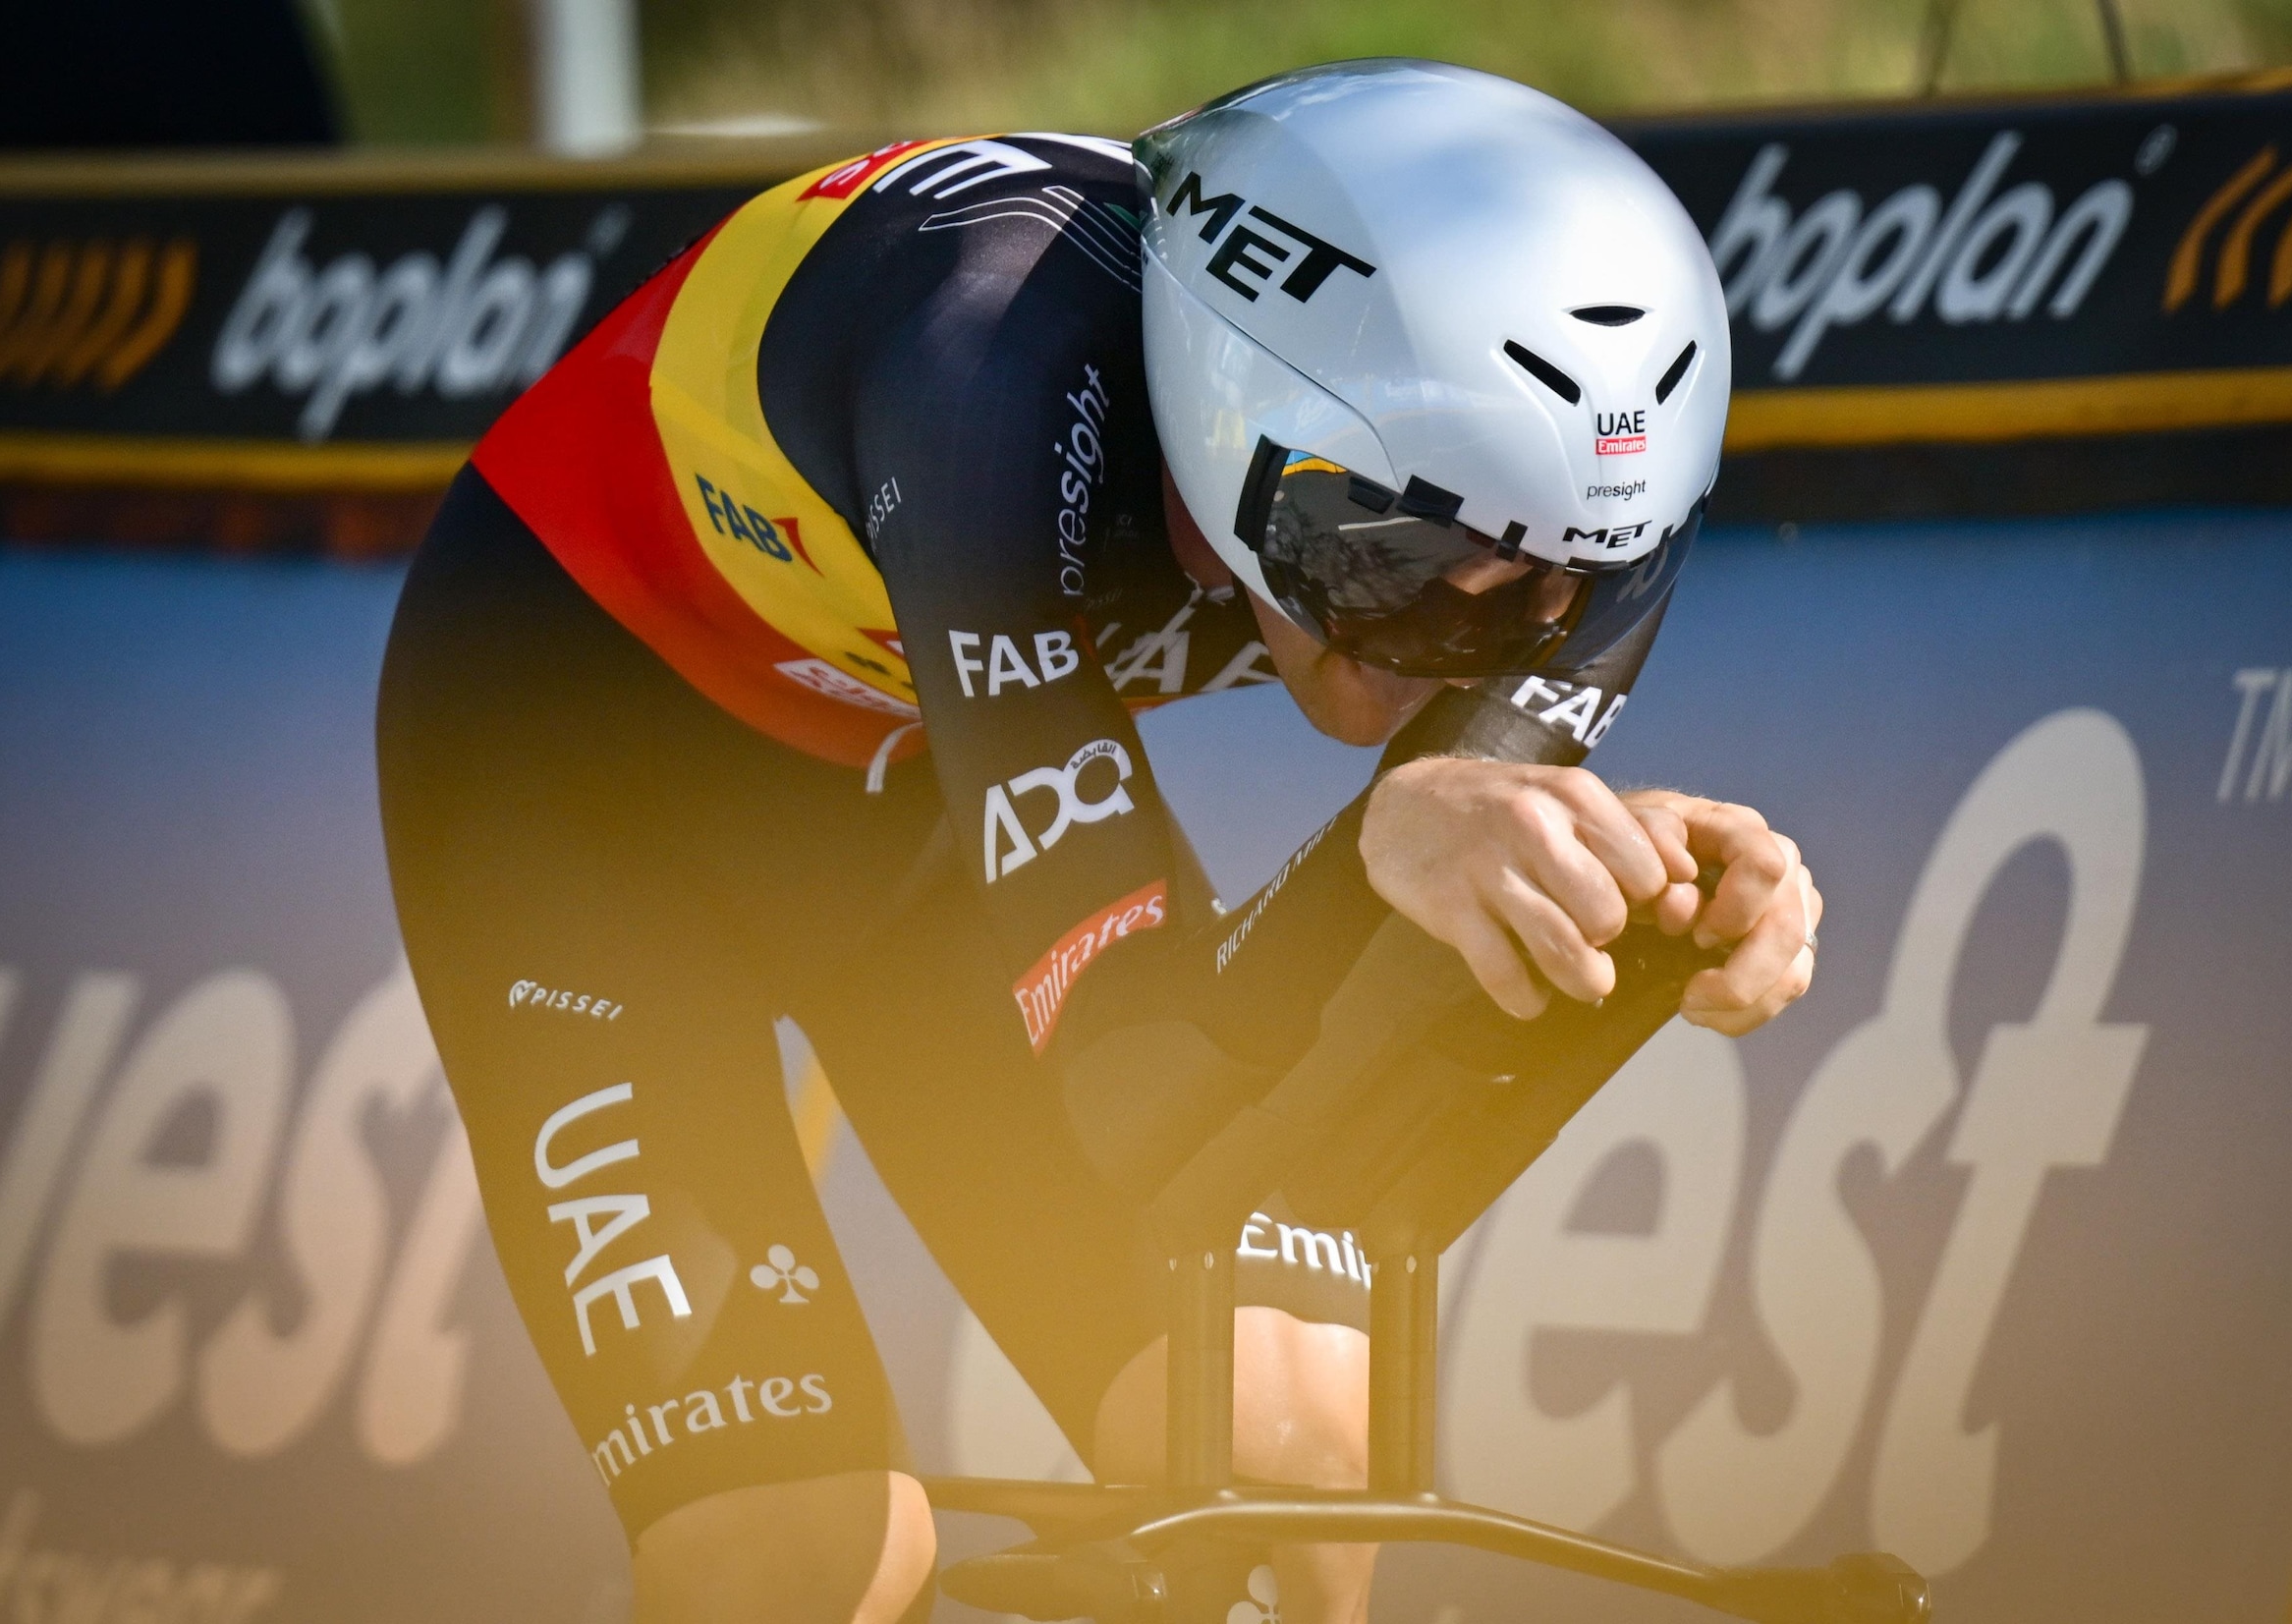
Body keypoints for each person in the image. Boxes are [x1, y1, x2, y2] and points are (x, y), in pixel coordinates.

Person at [376, 59, 1820, 1624]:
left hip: (912, 780)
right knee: (793, 1557)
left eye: (1548, 599)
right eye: (1397, 568)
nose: (1455, 656)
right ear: (1224, 405)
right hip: (572, 763)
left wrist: (1627, 900)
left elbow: (1267, 1131)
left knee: (1288, 1457)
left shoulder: (1588, 504)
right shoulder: (987, 363)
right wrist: (1374, 848)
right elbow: (1151, 1084)